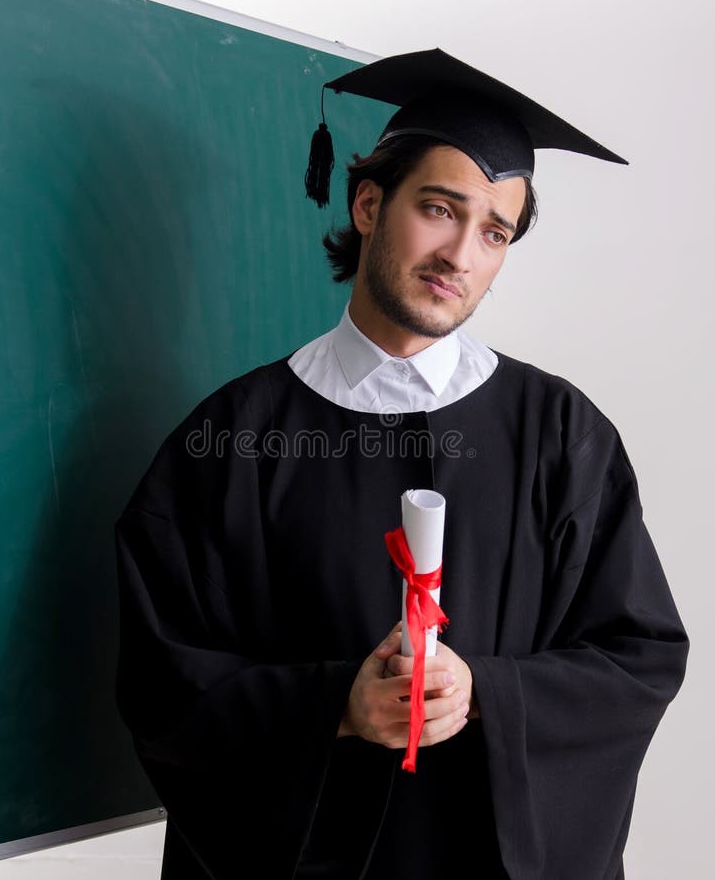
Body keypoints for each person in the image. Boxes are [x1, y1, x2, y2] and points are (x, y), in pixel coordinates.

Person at [115, 49, 688, 880]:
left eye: (494, 231)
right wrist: (334, 708)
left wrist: (486, 690)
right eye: (438, 208)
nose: (460, 254)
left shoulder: (562, 434)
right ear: (370, 203)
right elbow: (161, 681)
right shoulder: (232, 440)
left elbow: (638, 655)